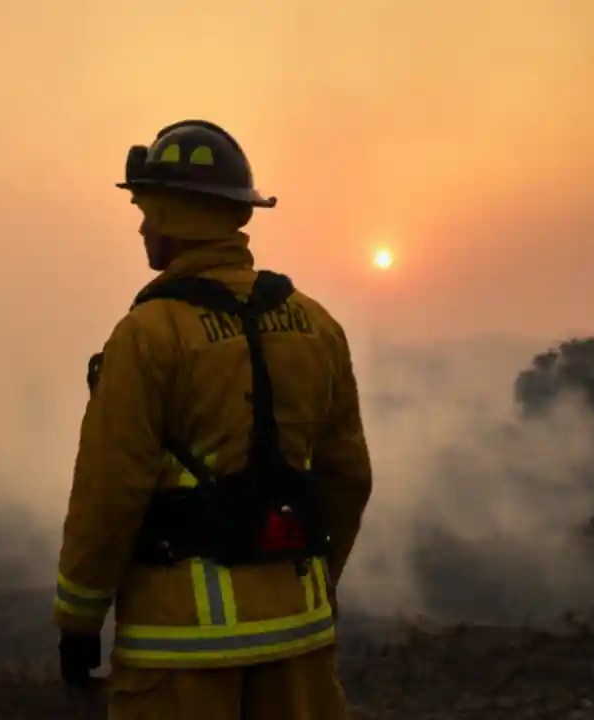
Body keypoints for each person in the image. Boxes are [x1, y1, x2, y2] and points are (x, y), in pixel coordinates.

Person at [53, 119, 373, 719]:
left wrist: (78, 619)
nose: (143, 226)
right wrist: (317, 581)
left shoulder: (147, 336)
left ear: (173, 217)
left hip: (178, 657)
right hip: (299, 644)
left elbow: (109, 491)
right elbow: (348, 477)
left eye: (147, 210)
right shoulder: (316, 324)